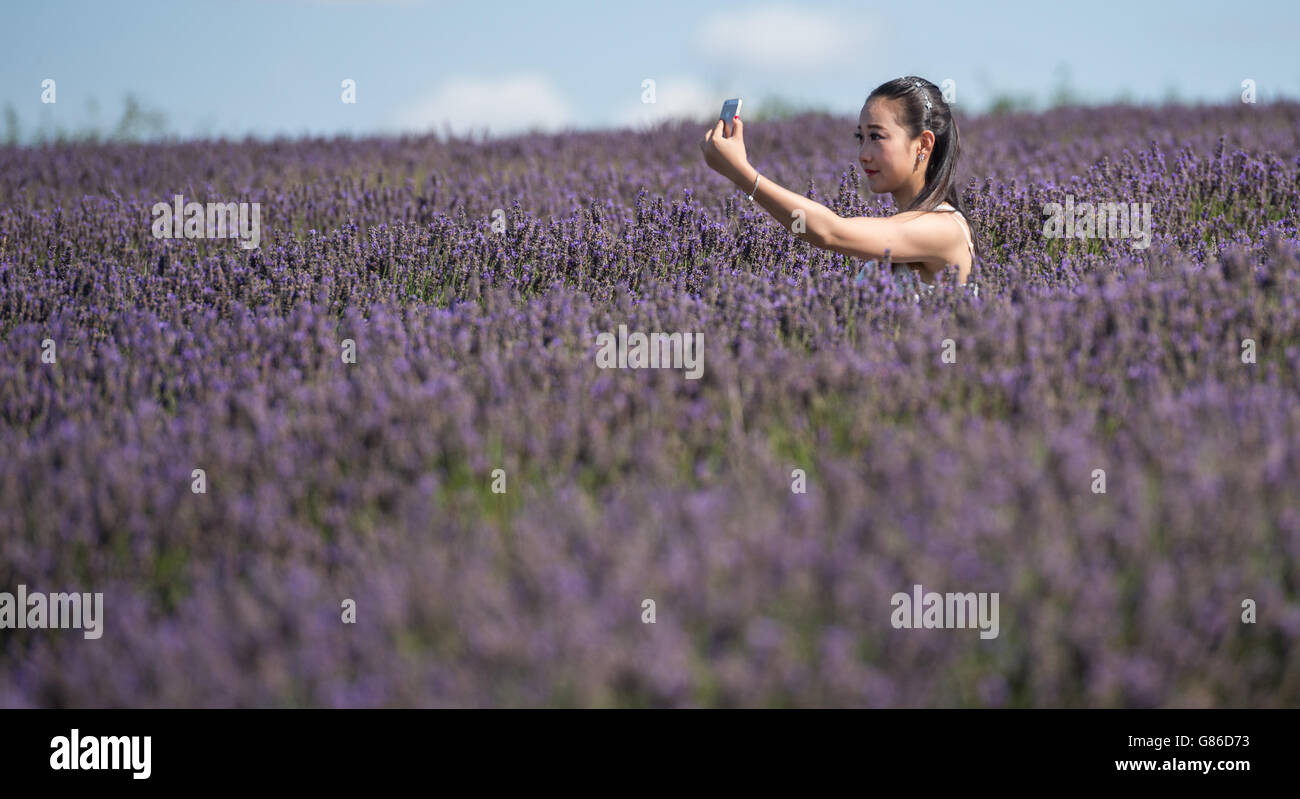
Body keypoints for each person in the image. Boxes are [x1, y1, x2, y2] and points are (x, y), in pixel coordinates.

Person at [701, 76, 979, 301]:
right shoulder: (908, 224)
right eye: (861, 137)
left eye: (876, 137)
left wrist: (743, 175)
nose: (863, 154)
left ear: (924, 144)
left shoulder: (944, 228)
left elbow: (830, 232)